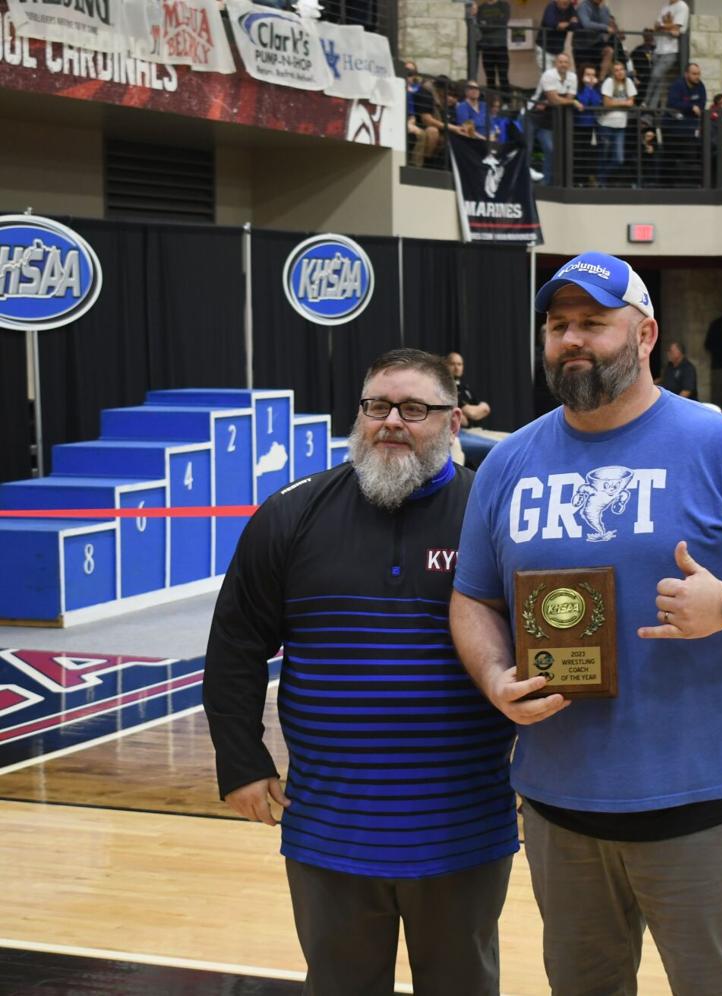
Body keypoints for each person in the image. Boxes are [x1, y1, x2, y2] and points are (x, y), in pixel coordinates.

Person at [449, 251, 722, 996]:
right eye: (558, 324)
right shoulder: (510, 462)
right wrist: (492, 675)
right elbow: (474, 596)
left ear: (644, 337)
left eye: (594, 324)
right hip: (558, 804)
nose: (572, 340)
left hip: (700, 805)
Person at [203, 348, 516, 996]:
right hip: (328, 833)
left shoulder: (493, 517)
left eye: (414, 409)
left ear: (455, 422)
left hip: (463, 830)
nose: (391, 422)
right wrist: (240, 760)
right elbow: (235, 645)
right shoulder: (291, 515)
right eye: (377, 406)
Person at [447, 352, 503, 467]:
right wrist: (478, 410)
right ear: (446, 365)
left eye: (459, 364)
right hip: (459, 433)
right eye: (453, 364)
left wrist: (476, 411)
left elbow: (486, 408)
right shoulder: (447, 388)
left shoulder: (465, 388)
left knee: (509, 440)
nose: (457, 367)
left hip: (475, 429)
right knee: (495, 447)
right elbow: (471, 414)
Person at [532, 52, 578, 186]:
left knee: (553, 150)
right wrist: (571, 102)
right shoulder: (548, 74)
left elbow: (564, 100)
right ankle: (544, 182)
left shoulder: (573, 77)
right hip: (535, 116)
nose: (563, 64)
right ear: (555, 63)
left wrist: (562, 99)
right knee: (544, 148)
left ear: (569, 64)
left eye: (566, 62)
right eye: (560, 62)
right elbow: (554, 100)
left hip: (553, 121)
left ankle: (549, 181)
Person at [598, 61, 636, 185]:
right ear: (613, 73)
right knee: (604, 155)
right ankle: (600, 183)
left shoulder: (628, 82)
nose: (620, 72)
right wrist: (623, 103)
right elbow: (606, 103)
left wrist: (616, 102)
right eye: (617, 70)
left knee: (619, 159)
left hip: (621, 126)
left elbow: (631, 102)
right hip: (606, 124)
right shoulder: (609, 82)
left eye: (621, 69)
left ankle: (601, 177)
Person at [646, 0, 690, 109]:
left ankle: (647, 103)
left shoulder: (682, 6)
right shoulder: (665, 6)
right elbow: (656, 26)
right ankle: (650, 110)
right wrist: (667, 25)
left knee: (656, 74)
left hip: (670, 50)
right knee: (658, 80)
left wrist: (663, 25)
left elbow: (677, 28)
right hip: (659, 49)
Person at [473, 0, 511, 90]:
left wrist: (486, 23)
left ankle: (506, 102)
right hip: (486, 47)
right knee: (490, 78)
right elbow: (480, 24)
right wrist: (493, 22)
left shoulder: (504, 5)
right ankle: (491, 102)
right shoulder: (481, 8)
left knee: (503, 77)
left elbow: (503, 21)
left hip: (501, 46)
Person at [538, 0, 578, 72]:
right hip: (544, 48)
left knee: (559, 75)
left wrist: (564, 25)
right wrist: (569, 23)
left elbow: (576, 25)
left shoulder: (570, 8)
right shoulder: (551, 6)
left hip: (559, 50)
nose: (566, 2)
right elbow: (550, 23)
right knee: (548, 75)